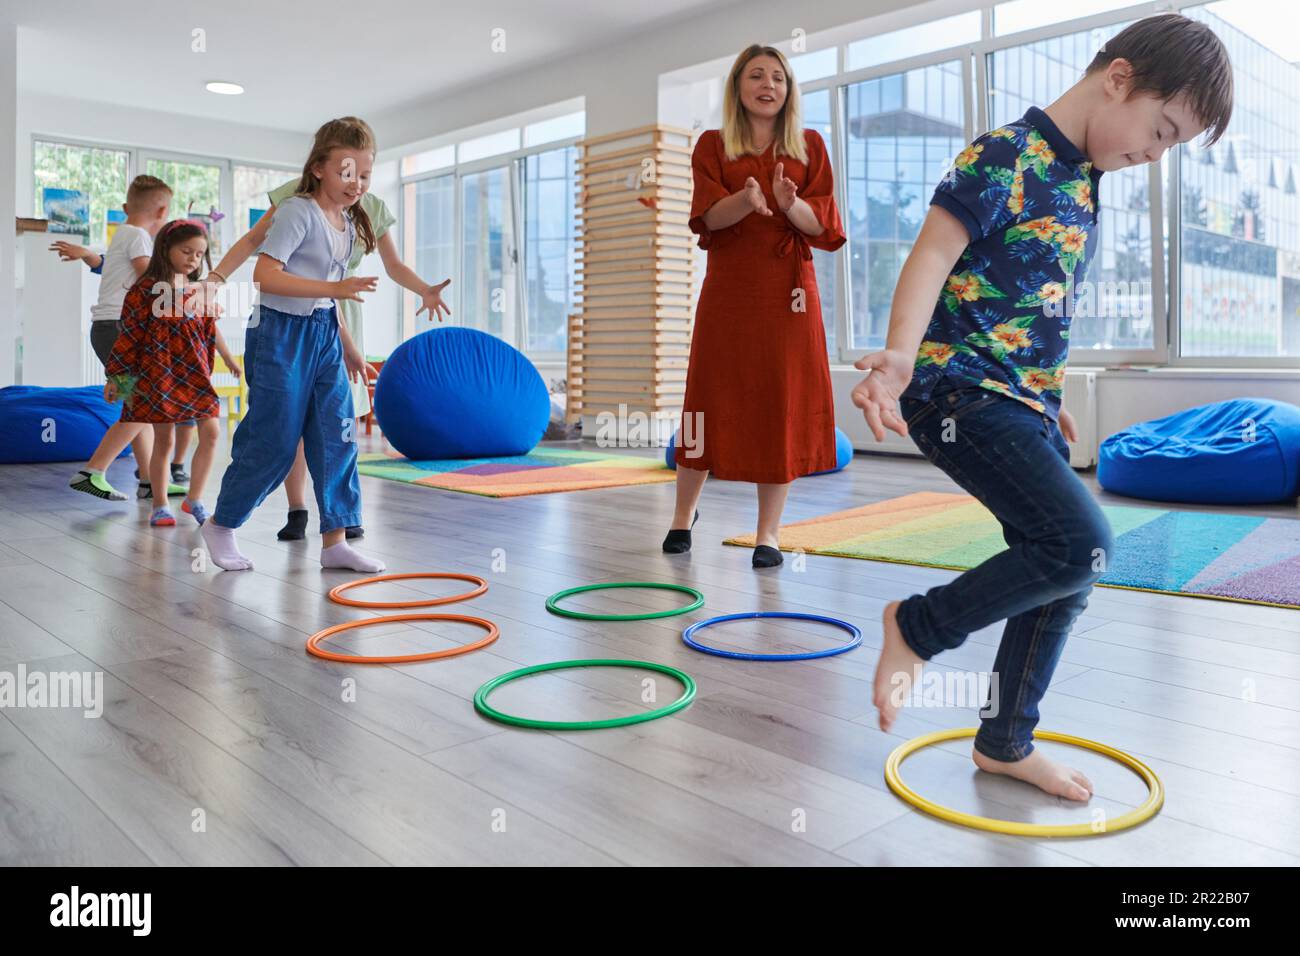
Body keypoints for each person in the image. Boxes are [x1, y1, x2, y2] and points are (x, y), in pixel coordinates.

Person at [851, 14, 1233, 799]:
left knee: (1071, 570)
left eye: (1171, 146)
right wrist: (896, 358)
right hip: (956, 389)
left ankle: (1004, 739)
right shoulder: (1005, 156)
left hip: (1018, 400)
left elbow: (1039, 305)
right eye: (1160, 131)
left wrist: (1047, 396)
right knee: (1080, 540)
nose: (1154, 155)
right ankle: (917, 627)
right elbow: (933, 254)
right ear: (1118, 79)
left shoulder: (1085, 182)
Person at [665, 44, 845, 569]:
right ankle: (683, 515)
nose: (768, 85)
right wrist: (746, 200)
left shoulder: (809, 145)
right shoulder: (712, 145)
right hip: (731, 291)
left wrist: (790, 206)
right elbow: (707, 219)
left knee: (779, 403)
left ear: (789, 91)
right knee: (705, 399)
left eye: (778, 78)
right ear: (738, 87)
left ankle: (768, 533)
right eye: (756, 76)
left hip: (789, 295)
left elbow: (825, 226)